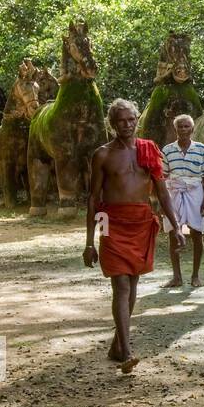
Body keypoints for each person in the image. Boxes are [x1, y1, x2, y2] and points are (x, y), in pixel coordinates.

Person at [84, 99, 184, 373]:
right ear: (112, 123)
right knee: (122, 285)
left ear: (137, 120)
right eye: (120, 121)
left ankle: (118, 344)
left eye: (131, 120)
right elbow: (93, 198)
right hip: (110, 221)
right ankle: (127, 351)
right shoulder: (102, 154)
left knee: (134, 283)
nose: (126, 125)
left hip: (141, 221)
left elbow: (162, 192)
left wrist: (176, 226)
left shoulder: (148, 150)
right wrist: (89, 242)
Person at [159, 114, 204, 288]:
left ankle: (195, 276)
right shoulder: (167, 150)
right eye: (180, 126)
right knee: (173, 233)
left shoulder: (201, 148)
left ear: (192, 129)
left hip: (195, 191)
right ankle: (177, 277)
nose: (183, 129)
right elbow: (163, 176)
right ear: (175, 129)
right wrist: (162, 201)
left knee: (197, 233)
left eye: (186, 126)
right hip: (173, 191)